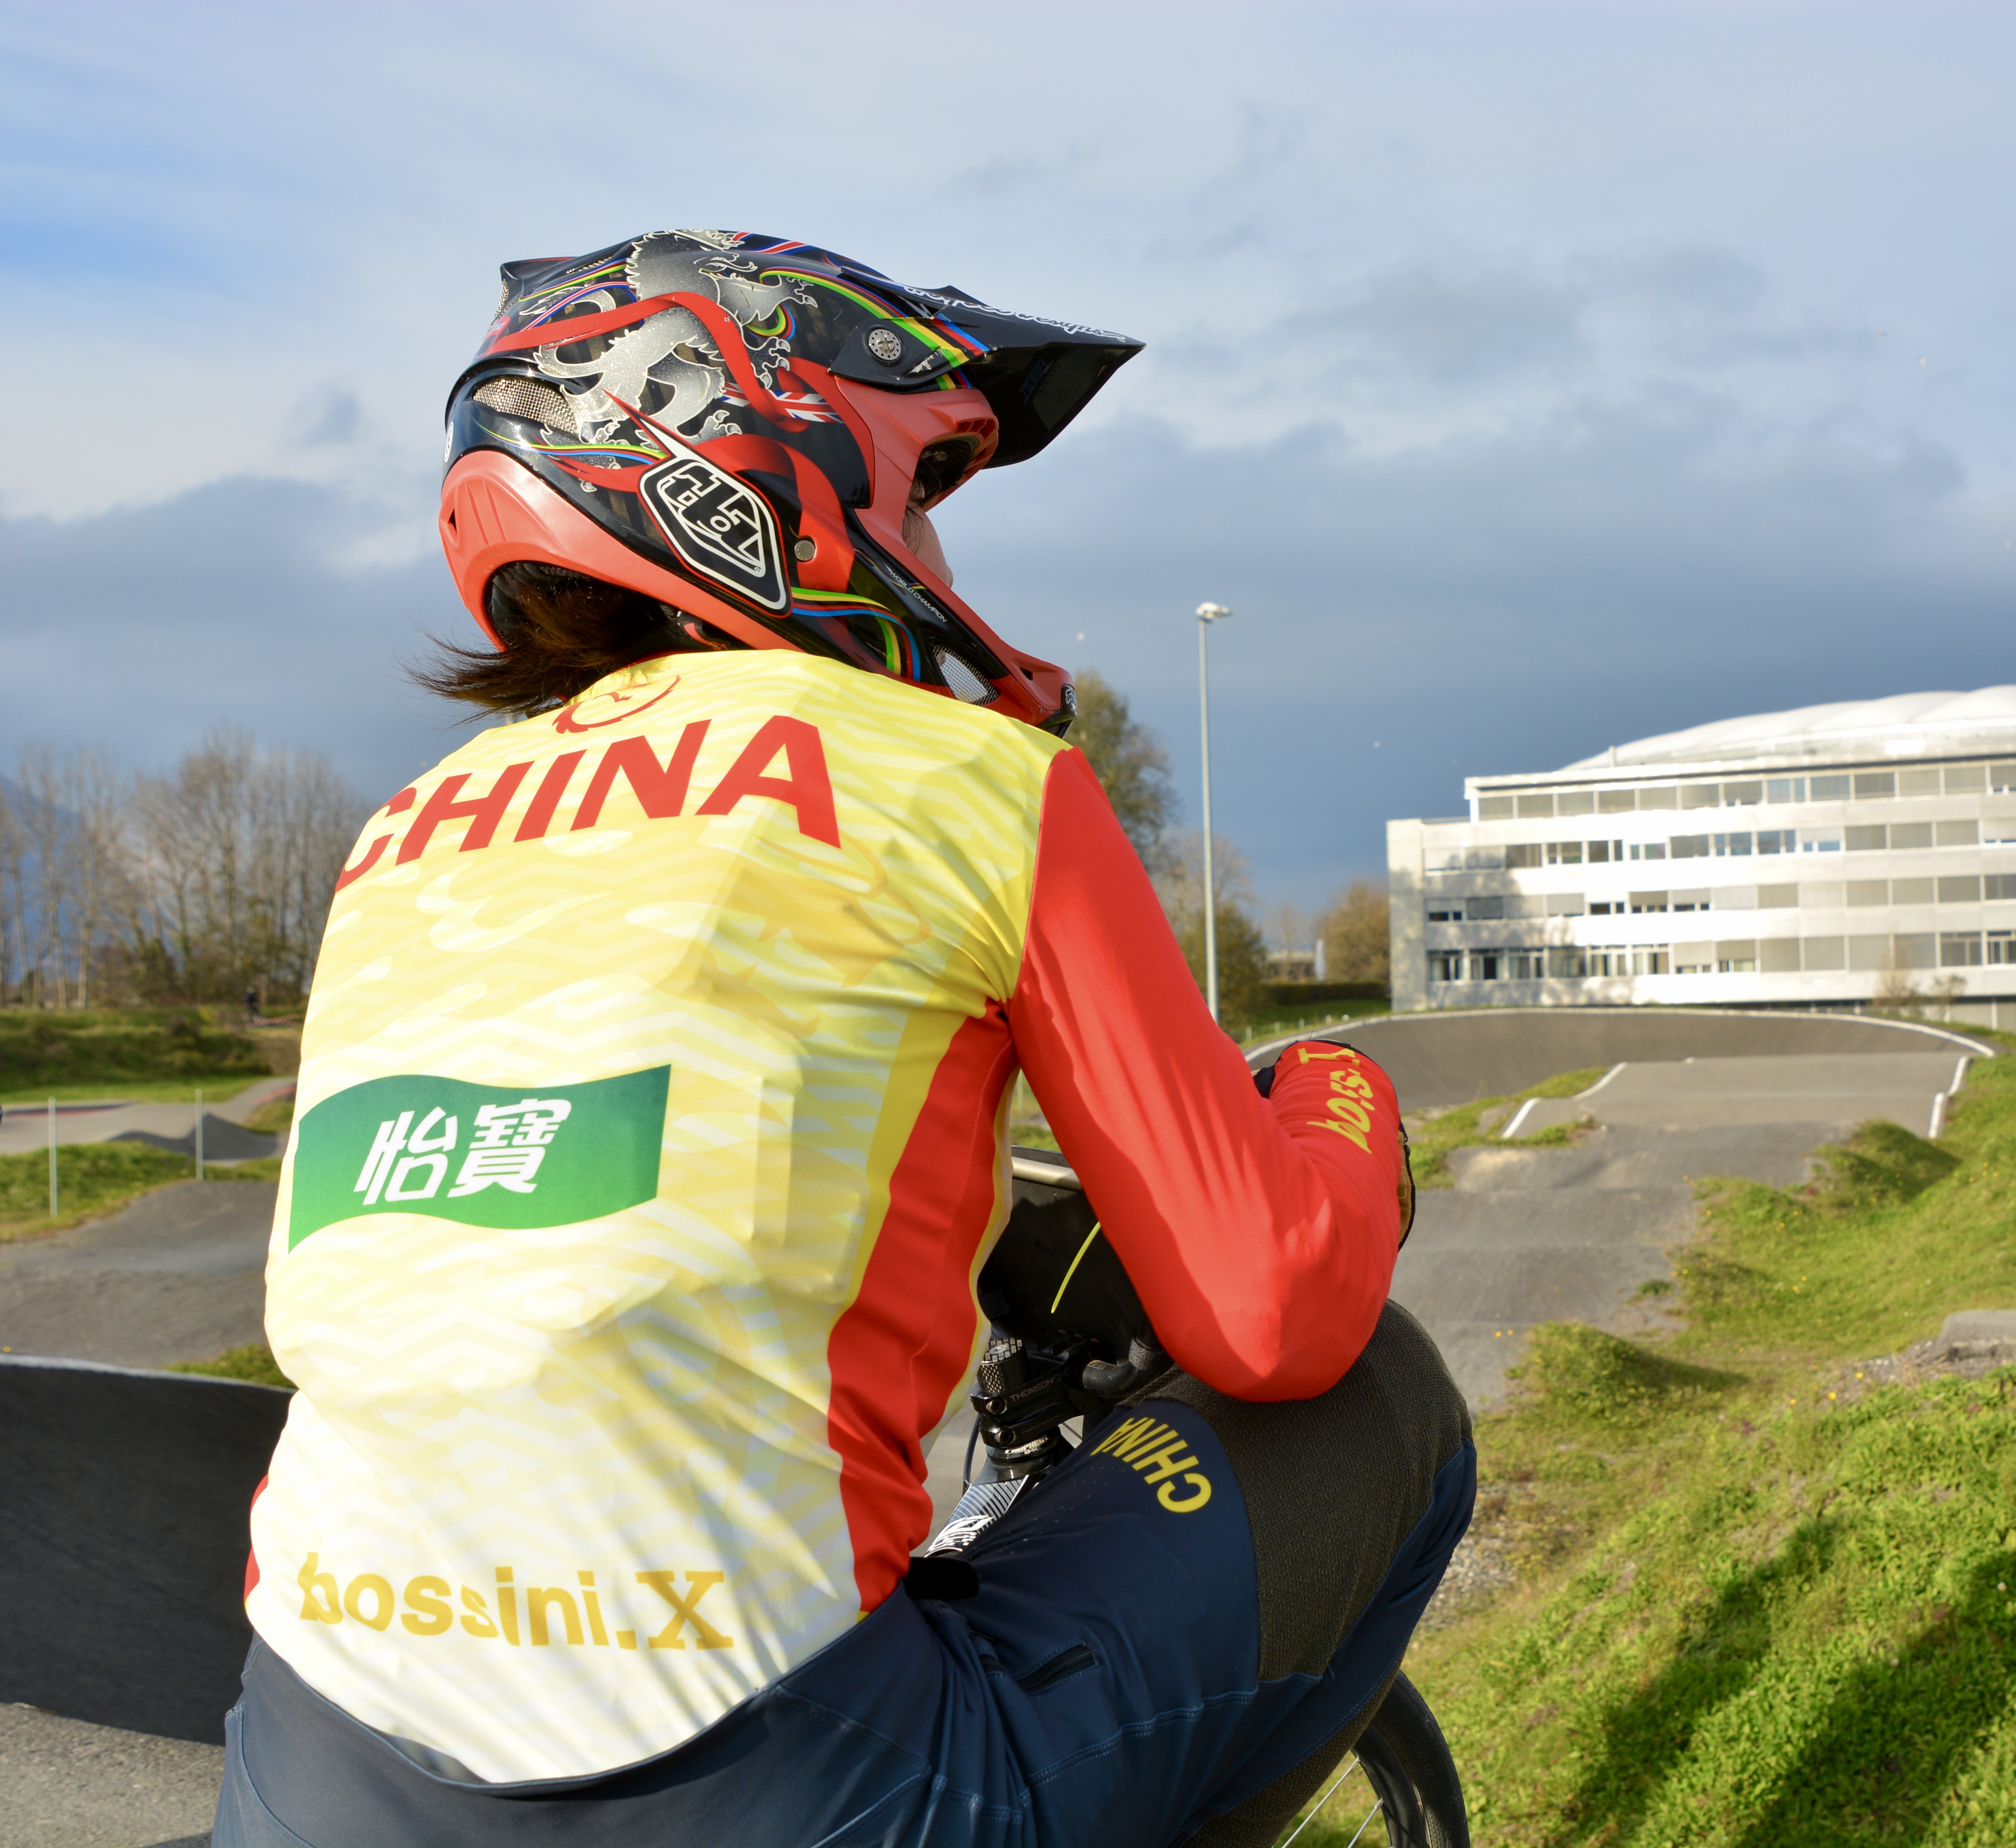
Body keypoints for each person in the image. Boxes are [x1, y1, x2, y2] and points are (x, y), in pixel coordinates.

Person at [214, 230, 1471, 1847]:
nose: (939, 548)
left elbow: (602, 1191)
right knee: (1383, 1395)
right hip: (776, 1782)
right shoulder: (965, 779)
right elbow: (1272, 1302)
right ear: (777, 462)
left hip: (313, 1755)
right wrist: (1337, 1092)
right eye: (927, 490)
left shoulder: (408, 829)